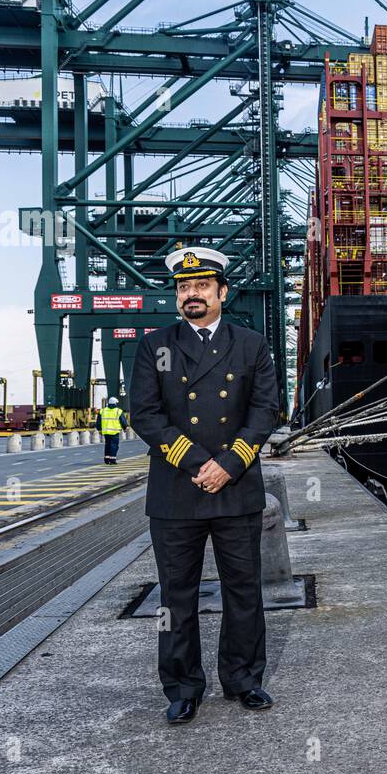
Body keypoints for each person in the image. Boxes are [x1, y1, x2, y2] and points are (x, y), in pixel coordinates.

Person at [127, 246, 281, 725]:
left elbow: (265, 411)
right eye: (183, 287)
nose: (191, 294)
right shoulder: (156, 345)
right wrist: (198, 462)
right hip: (177, 490)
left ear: (222, 292)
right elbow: (145, 415)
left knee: (243, 589)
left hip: (235, 487)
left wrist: (229, 463)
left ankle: (244, 679)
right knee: (176, 596)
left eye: (200, 286)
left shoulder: (251, 344)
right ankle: (183, 686)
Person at [97, 396, 128, 465]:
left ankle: (107, 459)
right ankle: (112, 459)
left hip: (106, 432)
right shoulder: (118, 411)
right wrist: (125, 428)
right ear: (115, 403)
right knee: (114, 445)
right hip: (114, 432)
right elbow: (123, 421)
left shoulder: (103, 411)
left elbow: (98, 421)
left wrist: (99, 430)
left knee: (107, 445)